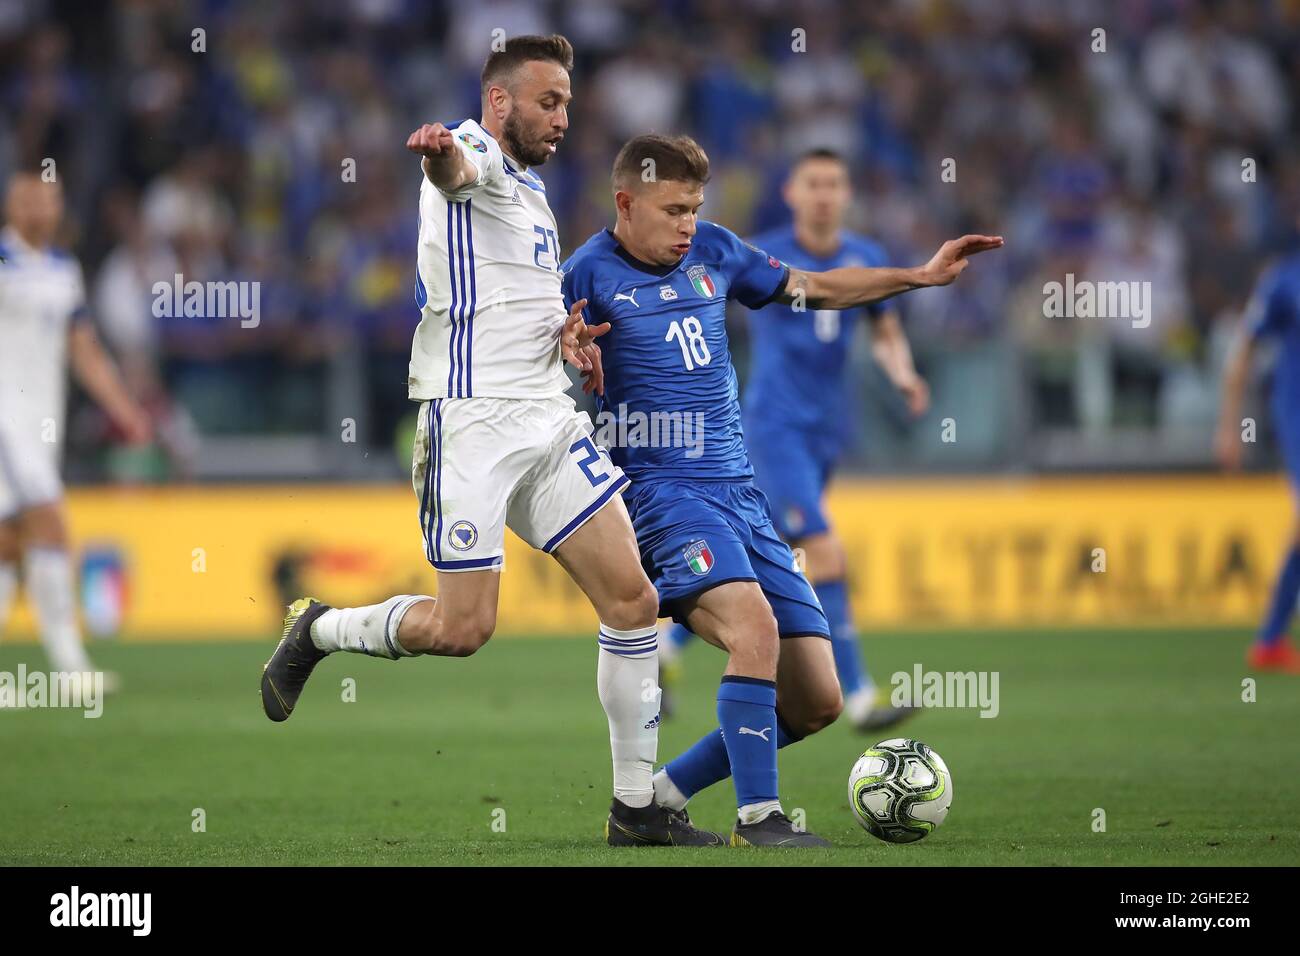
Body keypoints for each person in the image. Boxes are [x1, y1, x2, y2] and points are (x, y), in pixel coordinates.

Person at [260, 36, 721, 847]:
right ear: (500, 102)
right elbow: (455, 172)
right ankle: (321, 628)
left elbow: (515, 299)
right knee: (463, 630)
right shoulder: (473, 151)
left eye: (570, 102)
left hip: (545, 415)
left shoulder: (537, 196)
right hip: (469, 423)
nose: (564, 118)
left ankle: (634, 807)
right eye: (549, 102)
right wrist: (439, 152)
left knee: (634, 599)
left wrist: (565, 336)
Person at [562, 133, 1001, 845]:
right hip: (663, 497)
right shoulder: (584, 273)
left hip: (742, 497)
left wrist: (918, 276)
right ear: (625, 201)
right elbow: (533, 349)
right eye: (673, 210)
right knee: (753, 630)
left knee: (816, 701)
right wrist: (561, 348)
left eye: (694, 208)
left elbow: (816, 286)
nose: (686, 225)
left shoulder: (714, 250)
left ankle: (655, 800)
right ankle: (760, 818)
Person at [659, 148, 928, 731]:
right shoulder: (764, 254)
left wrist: (903, 374)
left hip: (826, 432)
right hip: (772, 429)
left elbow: (886, 330)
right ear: (793, 194)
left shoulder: (867, 257)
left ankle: (663, 649)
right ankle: (857, 696)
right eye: (814, 184)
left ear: (847, 193)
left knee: (759, 560)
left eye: (835, 183)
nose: (825, 194)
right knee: (826, 552)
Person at [0, 171, 152, 688]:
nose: (39, 210)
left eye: (48, 200)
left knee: (7, 542)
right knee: (51, 525)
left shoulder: (63, 270)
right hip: (5, 426)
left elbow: (83, 349)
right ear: (11, 206)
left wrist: (123, 408)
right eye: (28, 200)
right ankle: (69, 668)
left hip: (41, 427)